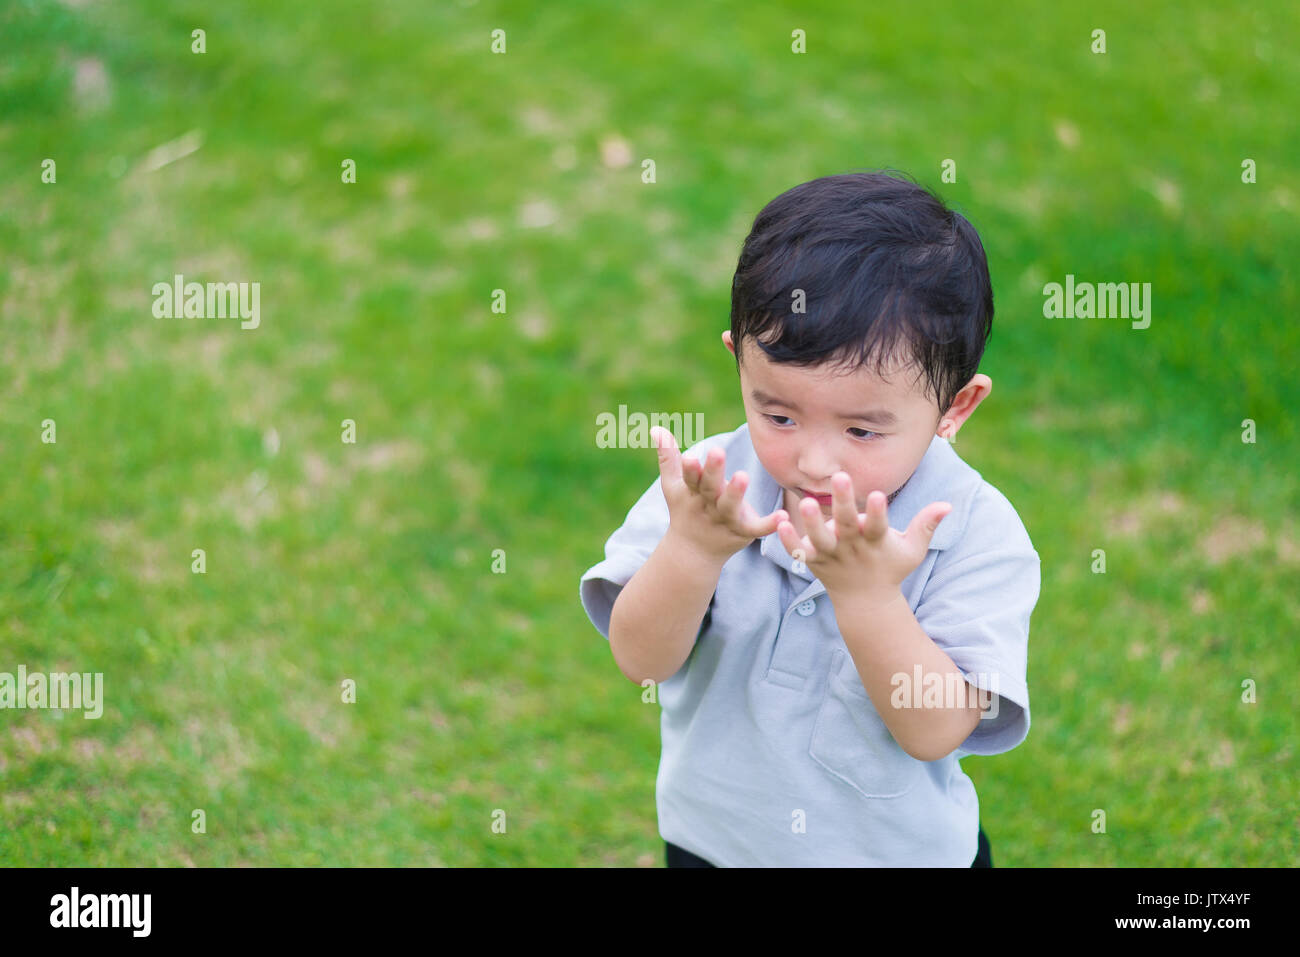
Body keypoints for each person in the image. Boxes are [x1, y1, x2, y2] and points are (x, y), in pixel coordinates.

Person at [579, 170, 1040, 867]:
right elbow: (641, 658)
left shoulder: (973, 532)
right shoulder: (709, 489)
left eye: (861, 430)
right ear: (739, 360)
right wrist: (692, 552)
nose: (815, 460)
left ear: (956, 406)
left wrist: (867, 595)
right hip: (714, 843)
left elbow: (937, 727)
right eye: (779, 413)